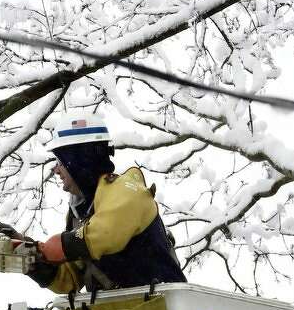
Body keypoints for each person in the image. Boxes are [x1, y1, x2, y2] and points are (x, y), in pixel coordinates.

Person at [27, 111, 186, 293]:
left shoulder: (127, 190)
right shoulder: (82, 212)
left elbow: (106, 233)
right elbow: (70, 279)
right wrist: (33, 261)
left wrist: (61, 245)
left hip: (164, 309)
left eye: (60, 161)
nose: (56, 170)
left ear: (78, 160)